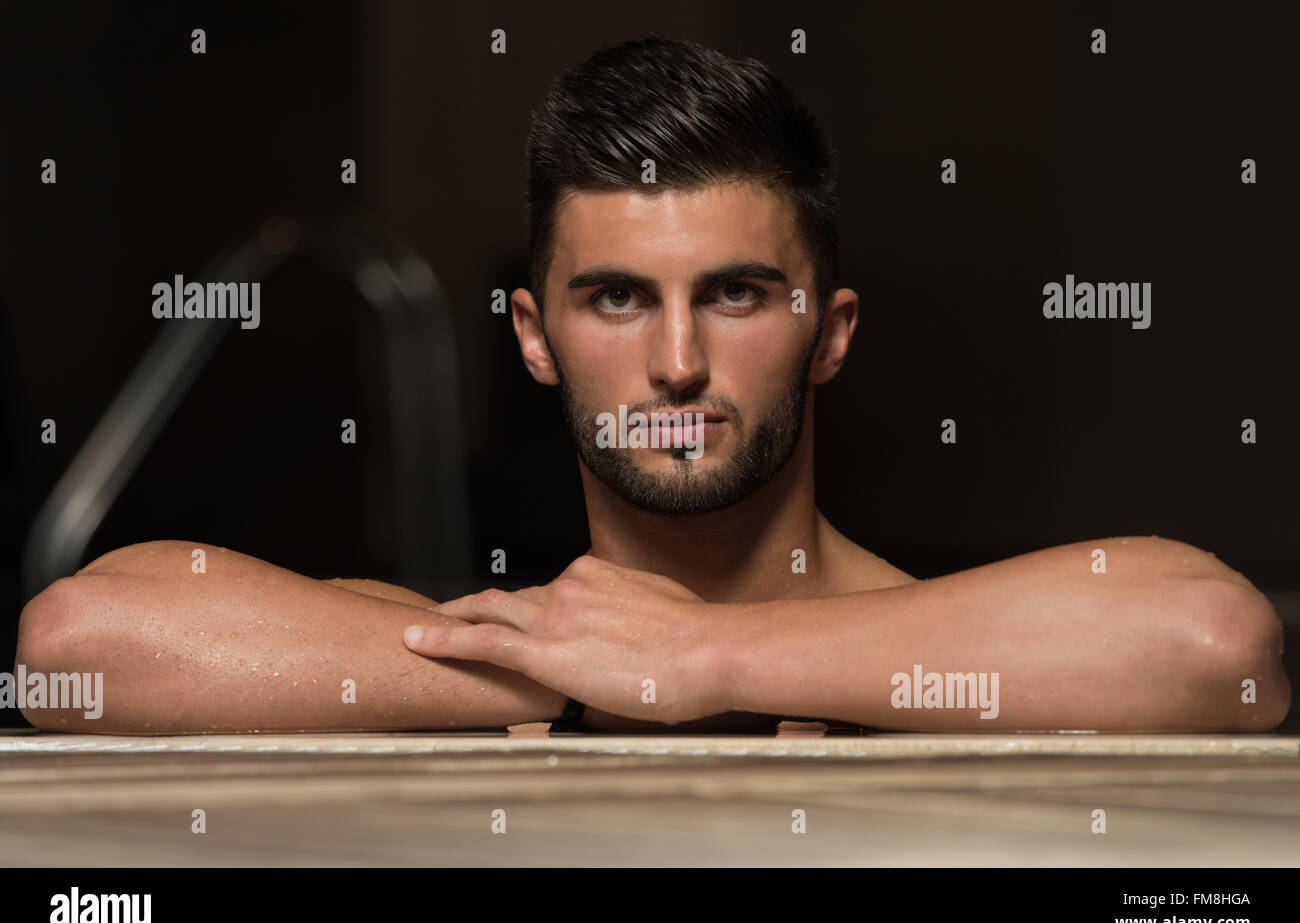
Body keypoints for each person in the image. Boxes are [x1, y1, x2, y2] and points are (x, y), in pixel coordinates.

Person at [15, 37, 1289, 735]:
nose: (676, 362)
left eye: (734, 294)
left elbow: (1212, 644)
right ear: (531, 336)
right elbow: (78, 642)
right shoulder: (474, 656)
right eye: (615, 297)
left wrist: (706, 654)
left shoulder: (953, 655)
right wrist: (585, 670)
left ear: (829, 332)